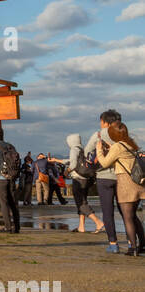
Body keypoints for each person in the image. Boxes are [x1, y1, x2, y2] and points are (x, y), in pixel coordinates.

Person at [97, 123, 145, 256]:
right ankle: (142, 244)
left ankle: (133, 248)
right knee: (133, 216)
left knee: (127, 217)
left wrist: (99, 150)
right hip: (138, 184)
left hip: (125, 184)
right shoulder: (131, 143)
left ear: (113, 135)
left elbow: (105, 163)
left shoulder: (118, 146)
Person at [86, 109, 123, 253]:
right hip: (122, 177)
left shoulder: (98, 135)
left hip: (104, 177)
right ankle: (134, 241)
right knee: (126, 212)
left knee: (108, 212)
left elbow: (87, 152)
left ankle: (113, 243)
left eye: (101, 122)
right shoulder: (123, 134)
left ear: (105, 122)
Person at [53, 135, 103, 235]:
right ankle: (81, 226)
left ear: (70, 141)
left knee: (81, 203)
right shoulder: (82, 149)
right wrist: (56, 160)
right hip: (86, 178)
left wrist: (66, 172)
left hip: (78, 179)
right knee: (83, 201)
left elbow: (72, 164)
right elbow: (72, 160)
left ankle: (98, 222)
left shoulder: (73, 149)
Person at [0, 126, 20, 234]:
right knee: (13, 203)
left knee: (4, 203)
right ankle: (17, 226)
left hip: (0, 178)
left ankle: (8, 227)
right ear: (3, 135)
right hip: (11, 177)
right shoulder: (11, 146)